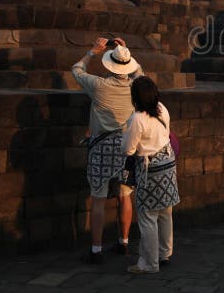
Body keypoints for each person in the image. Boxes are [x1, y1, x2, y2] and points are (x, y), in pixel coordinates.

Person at [72, 37, 143, 263]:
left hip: (102, 146)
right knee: (125, 195)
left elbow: (76, 69)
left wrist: (93, 51)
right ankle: (123, 242)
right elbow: (141, 74)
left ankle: (96, 249)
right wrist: (126, 50)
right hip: (126, 146)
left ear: (108, 64)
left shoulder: (98, 85)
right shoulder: (135, 87)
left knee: (99, 199)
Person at [122, 76, 180, 274]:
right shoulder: (162, 109)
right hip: (168, 165)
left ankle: (149, 263)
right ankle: (165, 253)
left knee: (148, 217)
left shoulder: (137, 118)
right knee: (165, 212)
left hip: (150, 170)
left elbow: (128, 149)